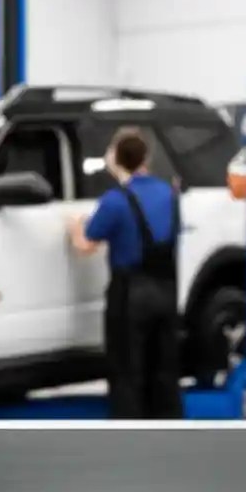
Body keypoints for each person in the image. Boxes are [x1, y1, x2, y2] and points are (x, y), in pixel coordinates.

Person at [69, 128, 183, 419]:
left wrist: (74, 225)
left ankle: (130, 436)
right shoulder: (168, 194)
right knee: (164, 370)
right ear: (146, 157)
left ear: (115, 158)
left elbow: (85, 245)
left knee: (127, 373)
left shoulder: (114, 201)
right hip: (168, 293)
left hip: (130, 297)